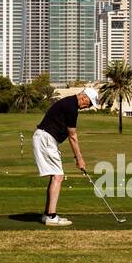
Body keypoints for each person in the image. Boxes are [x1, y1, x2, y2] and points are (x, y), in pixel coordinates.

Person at [32, 87, 99, 226]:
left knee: (55, 176)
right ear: (83, 97)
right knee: (58, 176)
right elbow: (72, 136)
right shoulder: (71, 107)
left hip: (46, 138)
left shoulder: (70, 104)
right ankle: (51, 216)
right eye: (89, 103)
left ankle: (48, 214)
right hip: (46, 139)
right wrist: (79, 159)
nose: (87, 107)